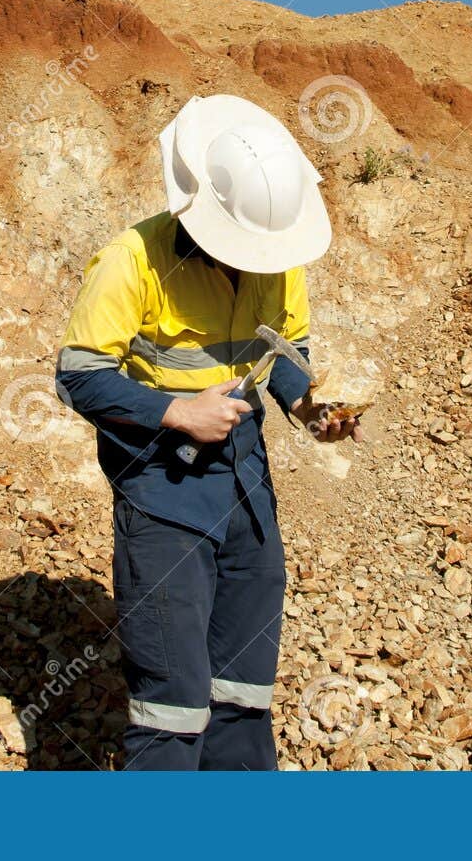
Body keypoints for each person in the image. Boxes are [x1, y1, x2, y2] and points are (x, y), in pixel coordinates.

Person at [56, 93, 364, 770]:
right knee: (174, 704)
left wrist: (315, 413)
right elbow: (77, 375)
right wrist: (176, 411)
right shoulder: (131, 260)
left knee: (244, 692)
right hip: (162, 492)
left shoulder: (279, 256)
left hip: (247, 493)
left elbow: (284, 357)